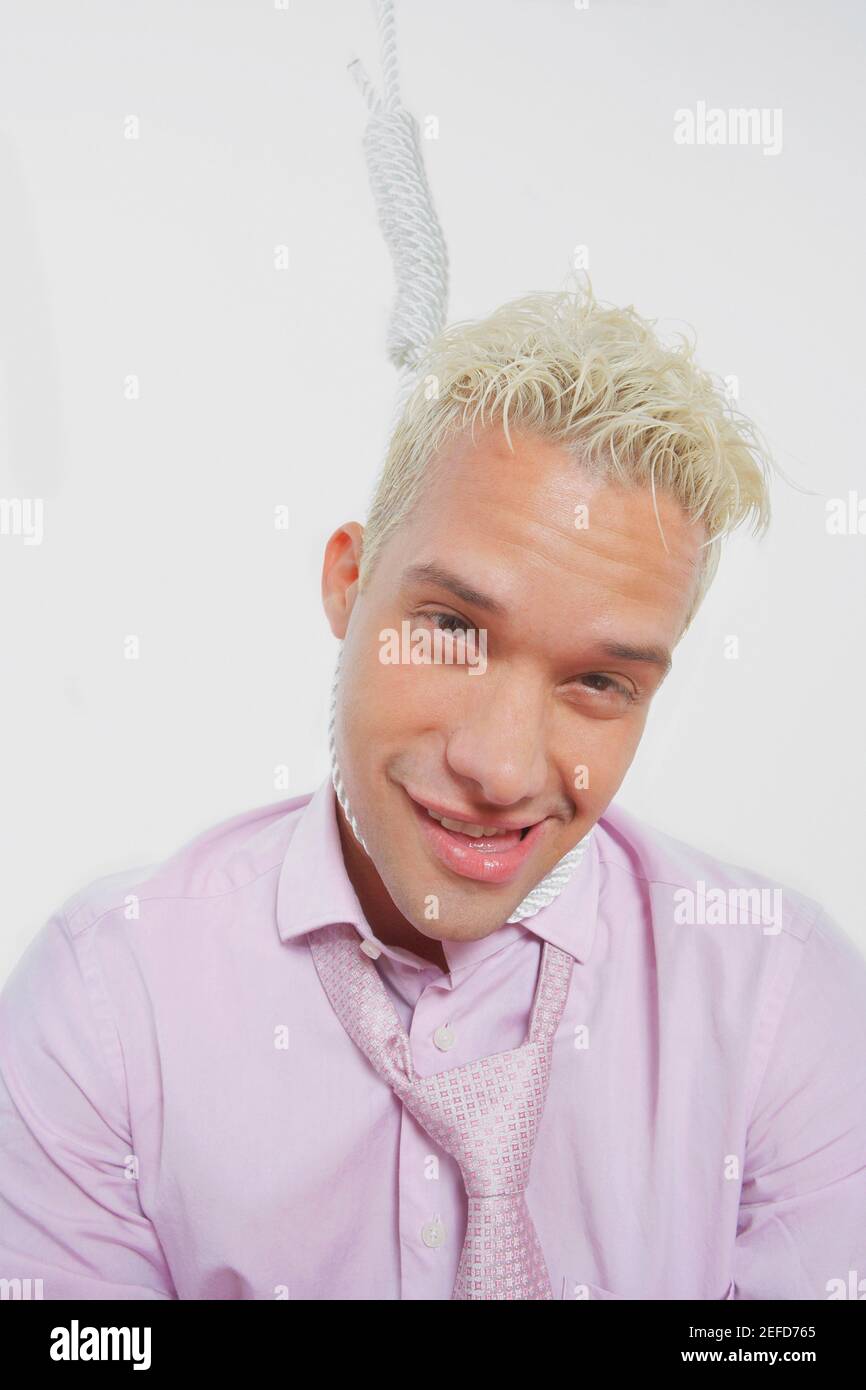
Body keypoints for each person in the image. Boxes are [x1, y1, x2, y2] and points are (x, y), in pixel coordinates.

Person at [1, 286, 865, 1301]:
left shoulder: (781, 1004)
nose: (499, 769)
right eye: (452, 629)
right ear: (347, 579)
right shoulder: (112, 1005)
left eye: (597, 681)